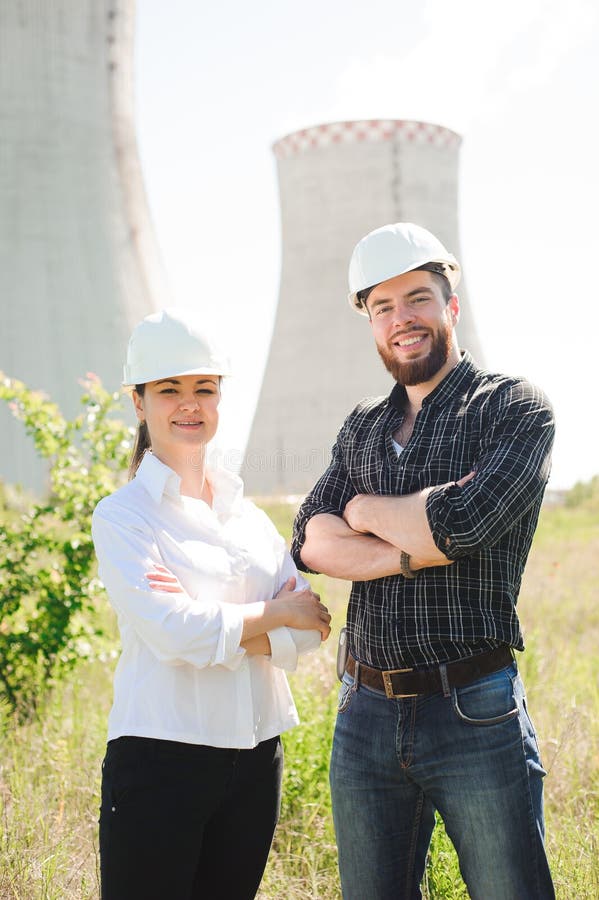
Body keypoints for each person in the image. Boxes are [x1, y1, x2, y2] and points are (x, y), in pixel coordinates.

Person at [291, 222, 555, 900]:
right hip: (364, 713)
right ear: (369, 322)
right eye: (382, 307)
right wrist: (412, 544)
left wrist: (363, 510)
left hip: (473, 708)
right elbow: (309, 541)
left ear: (450, 306)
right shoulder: (361, 425)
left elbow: (464, 525)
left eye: (416, 298)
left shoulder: (511, 408)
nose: (400, 319)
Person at [91, 308, 331, 900]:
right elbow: (175, 631)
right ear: (139, 403)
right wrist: (274, 614)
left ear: (220, 399)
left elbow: (313, 628)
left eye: (204, 389)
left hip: (255, 761)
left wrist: (219, 630)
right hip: (160, 758)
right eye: (169, 389)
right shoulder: (124, 516)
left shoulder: (247, 519)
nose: (188, 404)